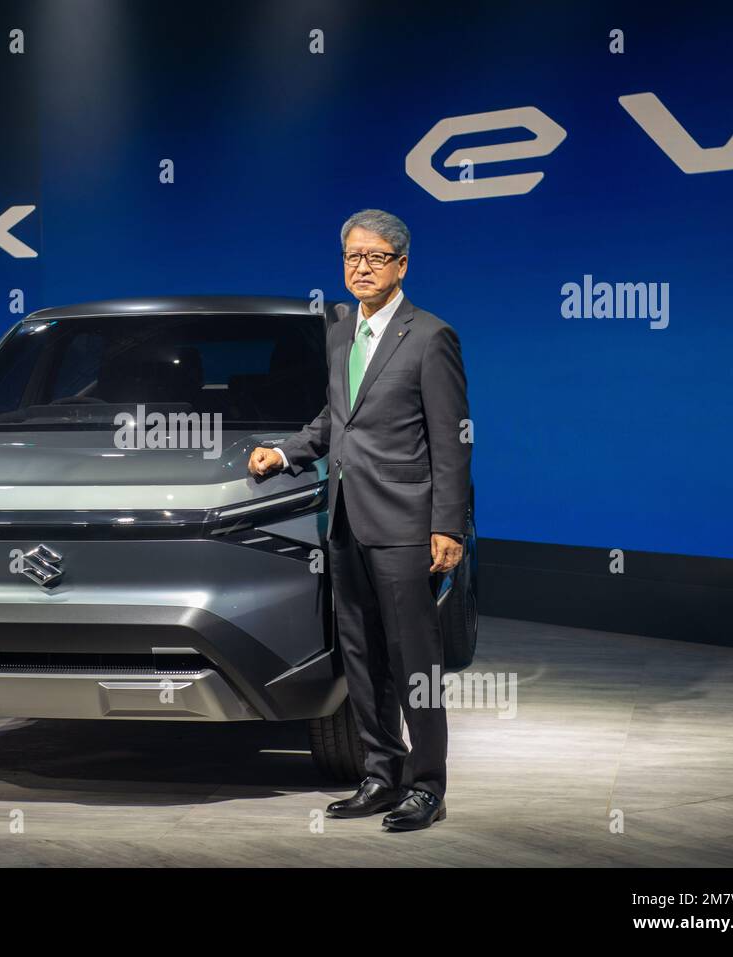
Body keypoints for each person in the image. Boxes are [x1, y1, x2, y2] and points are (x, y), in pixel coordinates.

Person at [248, 210, 471, 830]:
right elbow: (335, 417)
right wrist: (286, 452)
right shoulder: (342, 330)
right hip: (344, 520)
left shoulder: (431, 336)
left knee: (413, 661)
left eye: (376, 257)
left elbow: (453, 442)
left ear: (402, 265)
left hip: (405, 525)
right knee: (361, 656)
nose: (362, 268)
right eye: (352, 257)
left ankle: (427, 786)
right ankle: (380, 774)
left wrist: (448, 525)